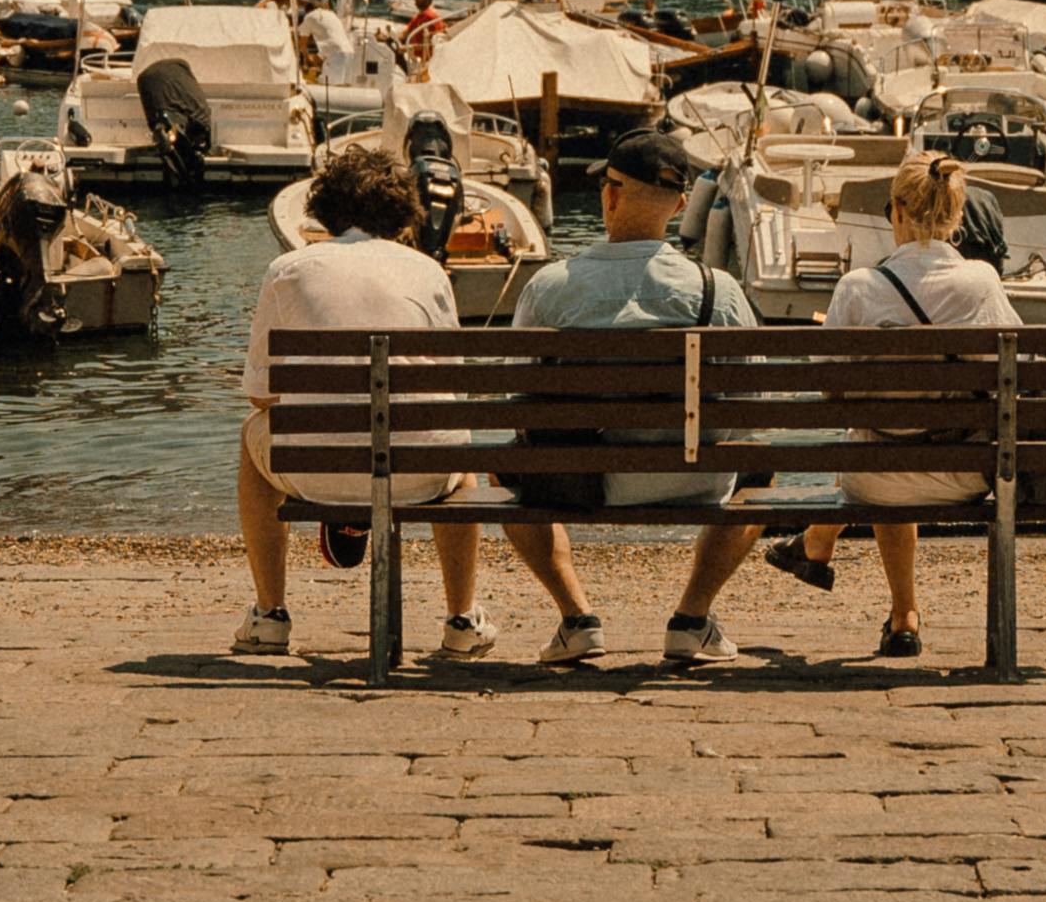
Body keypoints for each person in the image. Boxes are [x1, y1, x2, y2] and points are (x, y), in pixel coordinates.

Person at [234, 131, 502, 663]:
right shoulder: (428, 271)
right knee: (460, 451)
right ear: (400, 213)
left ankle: (269, 615)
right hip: (419, 472)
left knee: (250, 441)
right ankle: (462, 619)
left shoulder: (286, 271)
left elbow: (262, 397)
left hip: (315, 471)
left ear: (324, 210)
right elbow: (451, 386)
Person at [492, 133, 748, 669]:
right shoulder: (717, 290)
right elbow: (751, 396)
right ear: (681, 206)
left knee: (503, 468)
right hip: (696, 480)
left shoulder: (551, 286)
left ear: (609, 196)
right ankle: (692, 620)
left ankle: (577, 618)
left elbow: (515, 395)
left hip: (577, 483)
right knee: (759, 469)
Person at [764, 151, 1017, 660]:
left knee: (881, 444)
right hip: (967, 475)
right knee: (898, 441)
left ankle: (888, 601)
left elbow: (829, 392)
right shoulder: (983, 283)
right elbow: (1015, 374)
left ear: (897, 211)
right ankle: (900, 615)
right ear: (957, 214)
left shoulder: (857, 289)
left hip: (873, 475)